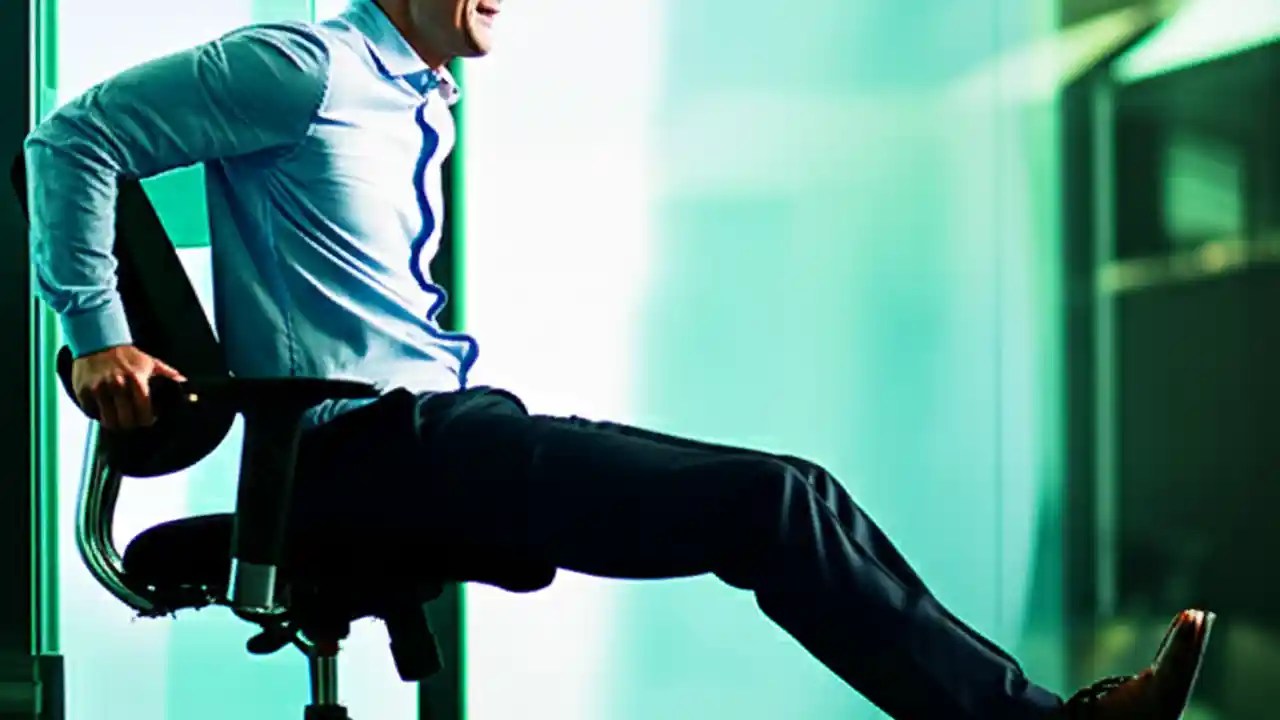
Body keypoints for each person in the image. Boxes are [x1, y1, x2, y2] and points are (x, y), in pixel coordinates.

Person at [23, 0, 1215, 717]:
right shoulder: (305, 64)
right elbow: (72, 135)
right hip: (364, 454)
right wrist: (98, 340)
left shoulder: (410, 93)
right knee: (771, 502)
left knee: (774, 504)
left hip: (435, 434)